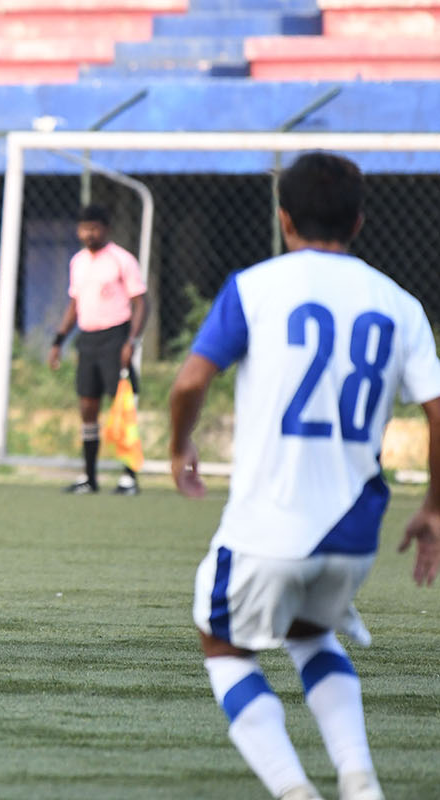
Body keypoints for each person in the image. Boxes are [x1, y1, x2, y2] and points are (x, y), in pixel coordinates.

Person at [169, 151, 440, 800]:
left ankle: (295, 791)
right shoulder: (398, 303)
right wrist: (433, 506)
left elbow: (190, 380)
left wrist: (180, 445)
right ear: (360, 220)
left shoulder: (254, 287)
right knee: (312, 631)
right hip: (354, 534)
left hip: (271, 524)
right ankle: (361, 781)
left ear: (284, 218)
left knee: (222, 642)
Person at [47, 204, 146, 495]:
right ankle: (89, 477)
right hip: (87, 339)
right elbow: (75, 304)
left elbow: (141, 302)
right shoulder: (78, 261)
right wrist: (58, 340)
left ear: (106, 229)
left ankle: (129, 476)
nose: (88, 233)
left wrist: (132, 341)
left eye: (94, 228)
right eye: (83, 228)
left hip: (115, 337)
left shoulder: (121, 260)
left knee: (122, 406)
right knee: (87, 406)